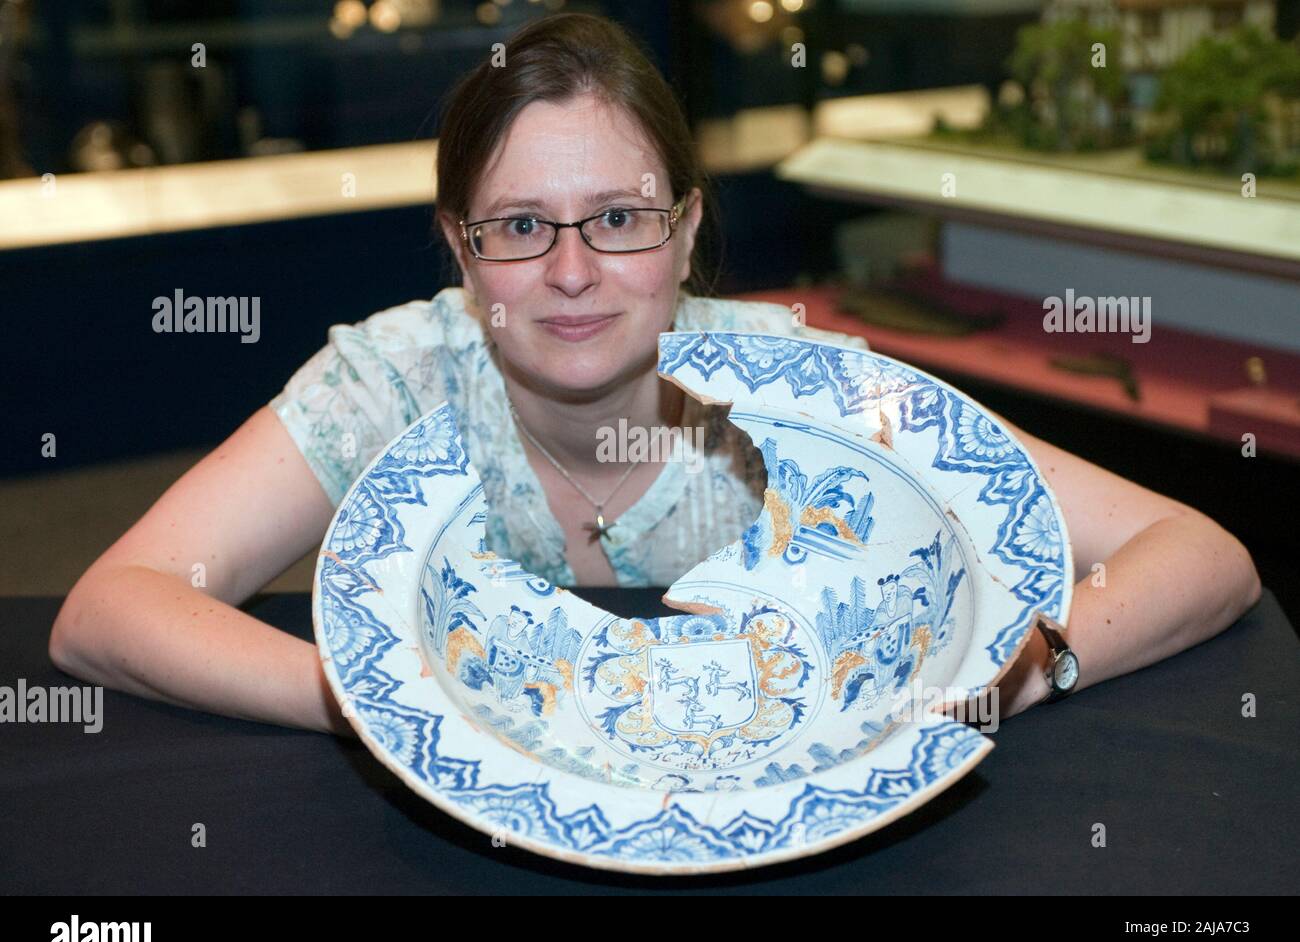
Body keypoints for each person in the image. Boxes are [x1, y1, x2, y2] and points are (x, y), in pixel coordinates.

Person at [47, 13, 1261, 740]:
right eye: (520, 225)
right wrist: (384, 705)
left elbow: (1197, 550)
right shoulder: (401, 378)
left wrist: (1022, 674)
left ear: (685, 232)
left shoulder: (803, 387)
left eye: (618, 217)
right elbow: (111, 609)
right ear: (461, 250)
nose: (572, 271)